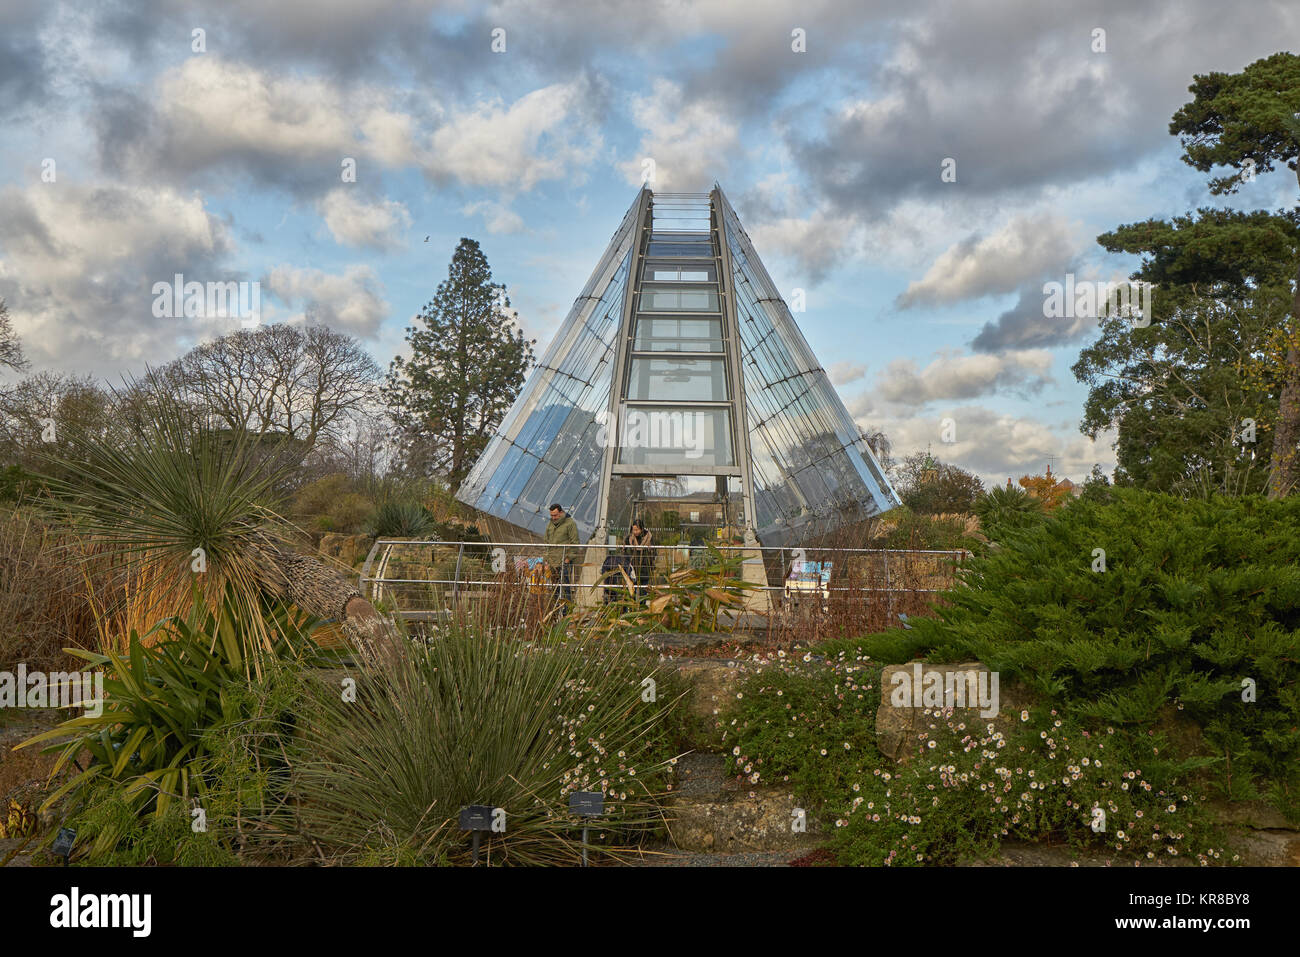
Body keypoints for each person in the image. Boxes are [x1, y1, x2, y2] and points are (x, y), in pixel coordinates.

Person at [546, 503, 580, 602]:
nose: (553, 517)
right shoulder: (550, 524)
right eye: (551, 515)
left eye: (555, 515)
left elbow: (575, 542)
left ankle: (567, 611)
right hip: (552, 562)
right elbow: (546, 541)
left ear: (561, 513)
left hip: (564, 562)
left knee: (565, 589)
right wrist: (547, 559)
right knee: (554, 589)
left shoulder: (570, 523)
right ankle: (555, 611)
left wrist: (568, 559)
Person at [625, 518, 654, 599]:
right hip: (633, 568)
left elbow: (653, 551)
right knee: (632, 591)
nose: (635, 532)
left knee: (643, 591)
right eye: (634, 530)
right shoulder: (630, 538)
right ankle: (633, 607)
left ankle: (642, 607)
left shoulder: (649, 537)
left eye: (637, 530)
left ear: (641, 529)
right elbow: (624, 550)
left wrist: (650, 562)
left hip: (645, 567)